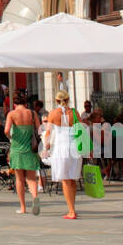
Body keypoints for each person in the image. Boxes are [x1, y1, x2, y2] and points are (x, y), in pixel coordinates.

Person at [46, 88, 83, 219]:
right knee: (72, 179)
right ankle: (72, 208)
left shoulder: (53, 114)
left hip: (61, 148)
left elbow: (48, 133)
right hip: (74, 147)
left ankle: (71, 211)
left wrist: (46, 146)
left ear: (56, 100)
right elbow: (81, 130)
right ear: (68, 99)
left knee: (65, 180)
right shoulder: (75, 112)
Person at [4, 89, 42, 214]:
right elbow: (39, 129)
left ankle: (23, 207)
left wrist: (11, 137)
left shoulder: (12, 114)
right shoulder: (32, 113)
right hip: (31, 149)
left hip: (17, 148)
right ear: (26, 103)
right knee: (31, 178)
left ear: (14, 103)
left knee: (19, 179)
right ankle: (35, 196)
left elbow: (6, 130)